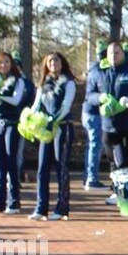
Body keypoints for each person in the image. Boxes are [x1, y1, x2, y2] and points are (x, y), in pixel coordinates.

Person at [0, 52, 33, 216]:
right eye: (0, 62)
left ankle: (13, 203)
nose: (3, 65)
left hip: (12, 125)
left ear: (11, 64)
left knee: (11, 163)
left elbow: (15, 100)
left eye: (6, 62)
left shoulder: (18, 81)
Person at [29, 52, 77, 220]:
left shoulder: (68, 83)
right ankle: (41, 208)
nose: (53, 63)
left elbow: (66, 106)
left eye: (56, 60)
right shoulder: (43, 83)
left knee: (61, 167)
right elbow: (36, 105)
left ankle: (62, 208)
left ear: (61, 62)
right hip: (46, 131)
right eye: (49, 60)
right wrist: (28, 120)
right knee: (42, 168)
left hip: (63, 128)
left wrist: (53, 120)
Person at [88, 41, 128, 177]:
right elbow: (89, 95)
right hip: (109, 125)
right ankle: (117, 190)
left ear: (123, 54)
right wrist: (100, 98)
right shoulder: (100, 72)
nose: (113, 56)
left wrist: (127, 101)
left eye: (117, 53)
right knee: (116, 161)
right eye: (110, 53)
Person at [81, 40, 107, 189]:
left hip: (89, 112)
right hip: (93, 112)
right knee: (95, 145)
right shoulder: (98, 69)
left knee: (91, 145)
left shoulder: (93, 68)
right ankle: (91, 178)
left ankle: (88, 177)